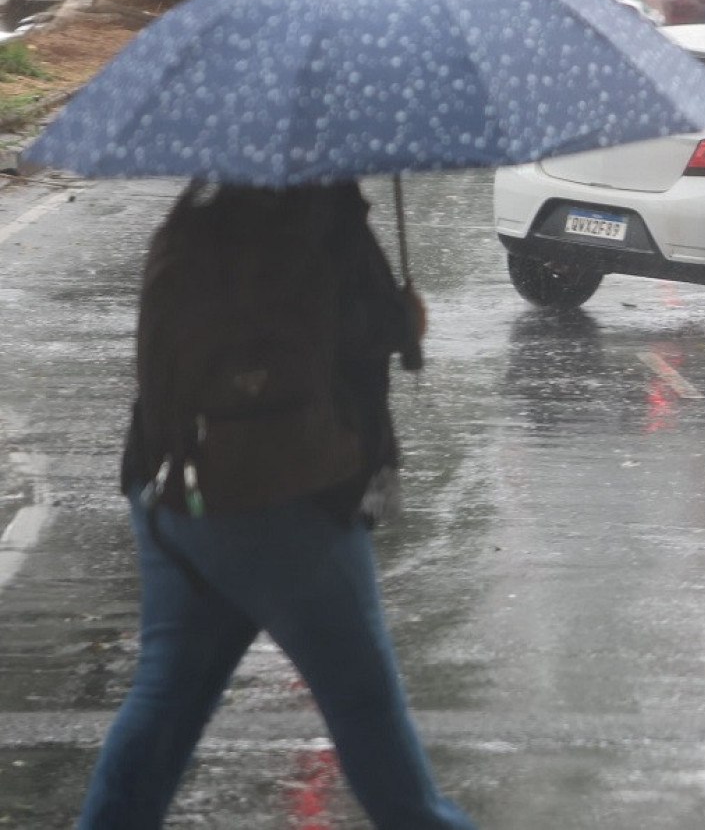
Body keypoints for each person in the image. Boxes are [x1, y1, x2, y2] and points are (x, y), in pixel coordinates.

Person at [79, 183, 474, 829]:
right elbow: (371, 335)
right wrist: (407, 314)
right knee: (369, 717)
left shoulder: (195, 212)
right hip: (289, 503)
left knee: (164, 704)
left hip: (174, 491)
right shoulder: (321, 214)